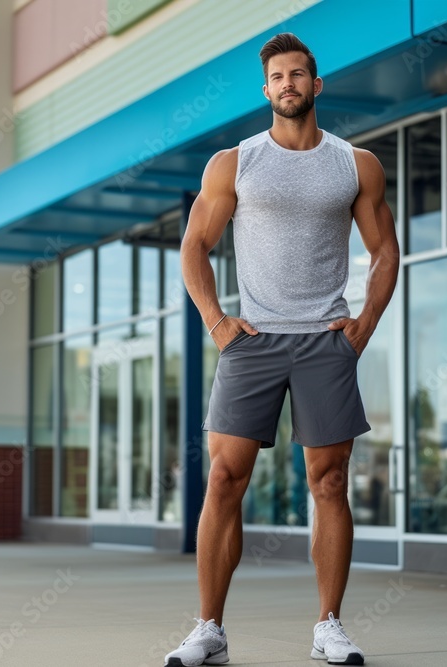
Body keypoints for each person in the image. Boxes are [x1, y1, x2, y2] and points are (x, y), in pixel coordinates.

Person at [166, 32, 400, 667]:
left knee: (329, 483)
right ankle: (208, 629)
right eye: (278, 77)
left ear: (316, 85)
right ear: (266, 89)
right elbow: (194, 247)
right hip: (254, 342)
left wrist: (363, 326)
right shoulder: (234, 162)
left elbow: (385, 253)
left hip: (326, 341)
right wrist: (216, 320)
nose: (289, 84)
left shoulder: (357, 165)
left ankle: (329, 624)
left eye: (299, 74)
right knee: (223, 477)